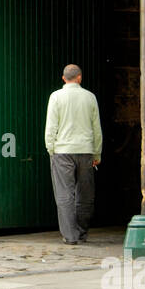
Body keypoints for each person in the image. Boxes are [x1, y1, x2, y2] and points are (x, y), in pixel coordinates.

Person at [44, 64, 103, 244]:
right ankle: (82, 231)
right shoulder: (90, 97)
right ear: (79, 77)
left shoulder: (56, 97)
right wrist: (97, 153)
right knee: (85, 194)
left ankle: (70, 236)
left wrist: (51, 148)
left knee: (64, 195)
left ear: (63, 78)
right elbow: (96, 128)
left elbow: (51, 126)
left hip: (62, 151)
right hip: (85, 150)